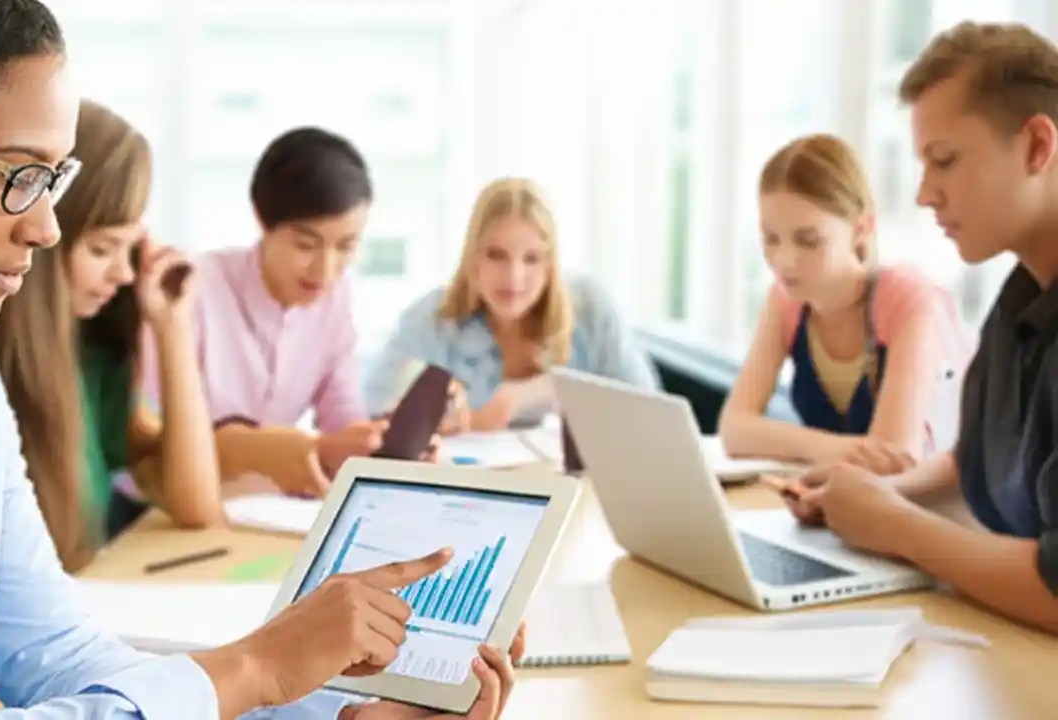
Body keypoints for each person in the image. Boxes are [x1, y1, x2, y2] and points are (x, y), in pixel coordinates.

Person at [0, 1, 519, 717]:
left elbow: (57, 654)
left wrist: (334, 711)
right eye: (19, 175)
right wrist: (256, 668)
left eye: (55, 180)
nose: (44, 228)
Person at [788, 21, 1058, 634]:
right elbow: (978, 465)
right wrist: (873, 496)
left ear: (1038, 148)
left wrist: (897, 525)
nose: (924, 193)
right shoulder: (1020, 301)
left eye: (945, 161)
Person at [0, 99, 223, 572]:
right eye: (101, 248)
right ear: (43, 235)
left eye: (131, 248)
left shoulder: (90, 356)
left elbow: (197, 507)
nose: (124, 274)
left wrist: (173, 329)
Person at [139, 128, 387, 498]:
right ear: (260, 218)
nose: (325, 270)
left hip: (259, 506)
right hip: (166, 504)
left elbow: (343, 420)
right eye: (306, 244)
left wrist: (378, 440)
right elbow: (150, 439)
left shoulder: (337, 299)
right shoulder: (188, 291)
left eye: (346, 247)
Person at [719, 134, 972, 474]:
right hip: (844, 501)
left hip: (934, 513)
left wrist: (800, 446)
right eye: (771, 239)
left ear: (860, 230)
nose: (785, 261)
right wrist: (843, 449)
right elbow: (735, 430)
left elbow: (896, 457)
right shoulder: (786, 301)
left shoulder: (910, 299)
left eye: (809, 240)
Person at [365, 178, 659, 433]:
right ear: (473, 256)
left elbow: (648, 410)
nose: (514, 277)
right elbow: (372, 413)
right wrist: (426, 420)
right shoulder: (431, 319)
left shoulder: (590, 307)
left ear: (550, 265)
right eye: (497, 255)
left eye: (532, 259)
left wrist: (539, 391)